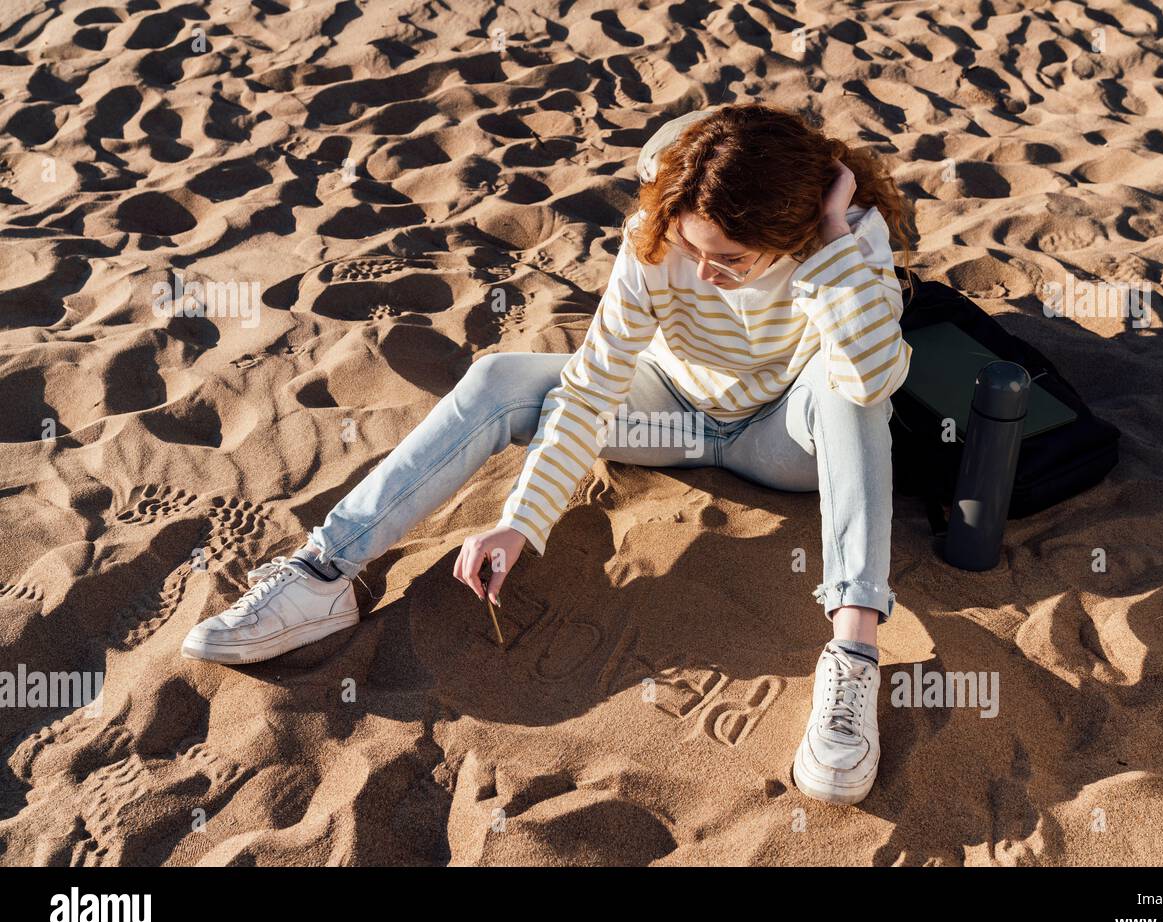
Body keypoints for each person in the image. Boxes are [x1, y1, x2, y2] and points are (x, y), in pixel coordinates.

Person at [182, 103, 915, 805]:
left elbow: (873, 375)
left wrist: (836, 248)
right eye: (692, 249)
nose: (702, 272)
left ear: (790, 228)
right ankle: (323, 573)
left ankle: (852, 658)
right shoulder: (661, 234)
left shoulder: (845, 240)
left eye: (730, 260)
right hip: (668, 415)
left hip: (779, 436)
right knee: (502, 377)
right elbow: (593, 385)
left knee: (851, 392)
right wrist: (519, 522)